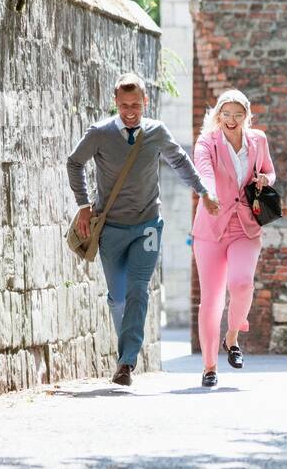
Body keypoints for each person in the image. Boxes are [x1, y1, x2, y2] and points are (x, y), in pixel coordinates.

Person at [66, 72, 217, 386]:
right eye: (124, 105)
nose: (130, 111)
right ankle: (125, 354)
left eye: (136, 104)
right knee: (117, 297)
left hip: (148, 225)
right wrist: (83, 204)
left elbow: (180, 161)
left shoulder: (156, 132)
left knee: (138, 289)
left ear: (145, 101)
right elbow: (74, 162)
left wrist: (203, 191)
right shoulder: (100, 133)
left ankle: (126, 362)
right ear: (116, 102)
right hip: (111, 228)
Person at [191, 89, 276, 388]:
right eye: (225, 114)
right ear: (218, 116)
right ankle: (210, 366)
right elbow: (203, 171)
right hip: (211, 226)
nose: (231, 120)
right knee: (212, 300)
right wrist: (209, 193)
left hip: (246, 224)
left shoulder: (258, 140)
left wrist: (266, 179)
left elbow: (269, 170)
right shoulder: (206, 142)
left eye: (237, 115)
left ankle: (233, 337)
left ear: (246, 116)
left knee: (241, 283)